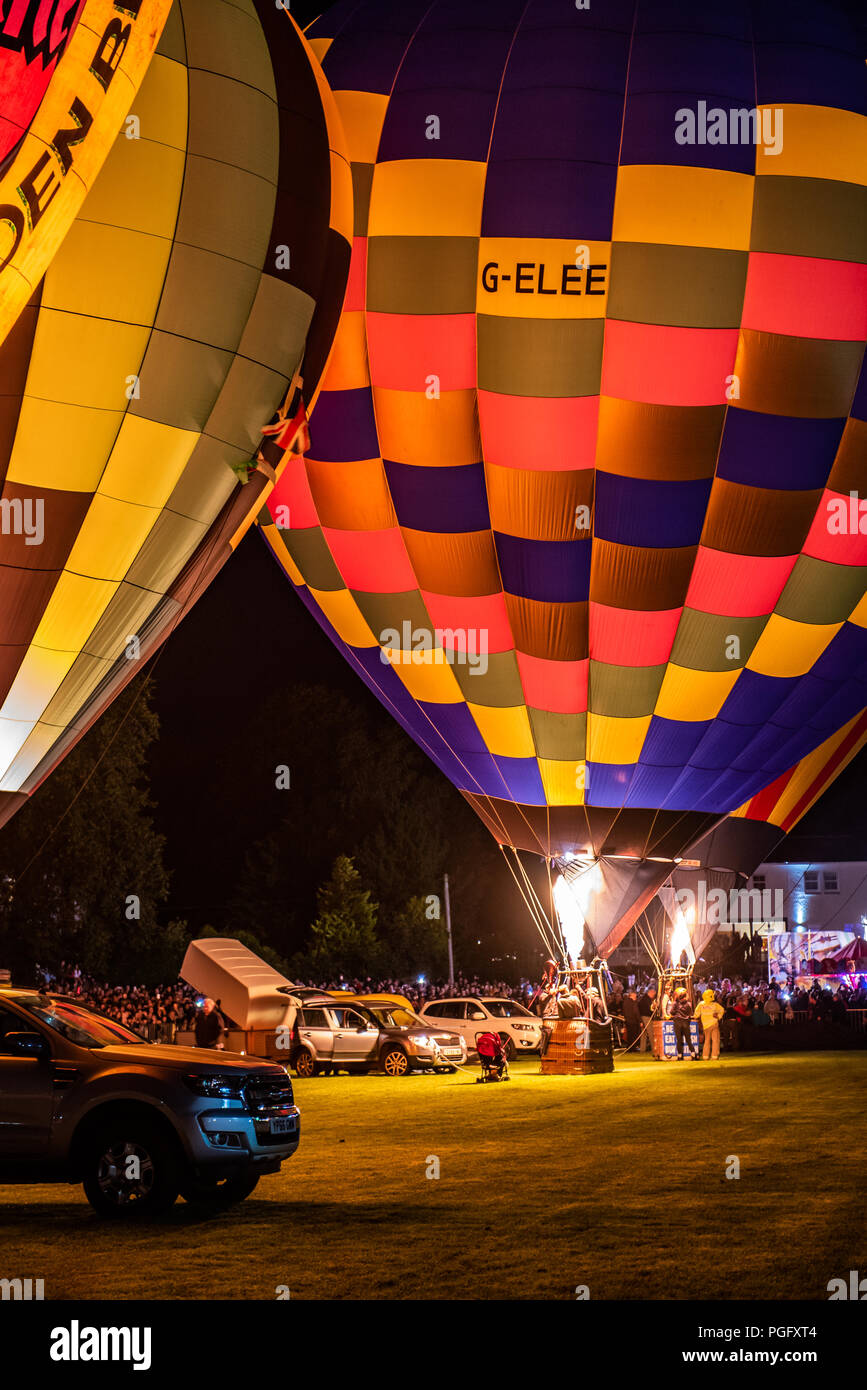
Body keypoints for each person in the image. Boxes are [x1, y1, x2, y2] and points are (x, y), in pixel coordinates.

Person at [694, 988, 724, 1060]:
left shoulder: (701, 1004)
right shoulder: (715, 1005)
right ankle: (714, 1056)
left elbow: (696, 1014)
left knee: (707, 1041)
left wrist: (694, 1017)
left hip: (706, 1026)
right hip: (714, 1024)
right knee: (715, 1040)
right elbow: (722, 1010)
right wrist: (719, 1017)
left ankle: (705, 1056)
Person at [670, 987, 697, 1060]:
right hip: (686, 1023)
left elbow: (671, 1012)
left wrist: (676, 1010)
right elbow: (690, 1013)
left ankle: (679, 1055)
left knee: (679, 1040)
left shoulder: (675, 1003)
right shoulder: (689, 1004)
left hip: (678, 1022)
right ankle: (693, 1054)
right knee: (688, 1040)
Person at [637, 985, 657, 1052]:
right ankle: (654, 1048)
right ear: (651, 992)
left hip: (642, 1017)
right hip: (647, 1017)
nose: (654, 995)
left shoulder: (643, 998)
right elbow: (650, 1009)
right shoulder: (647, 1000)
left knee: (644, 1034)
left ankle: (642, 1049)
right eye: (654, 994)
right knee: (651, 1033)